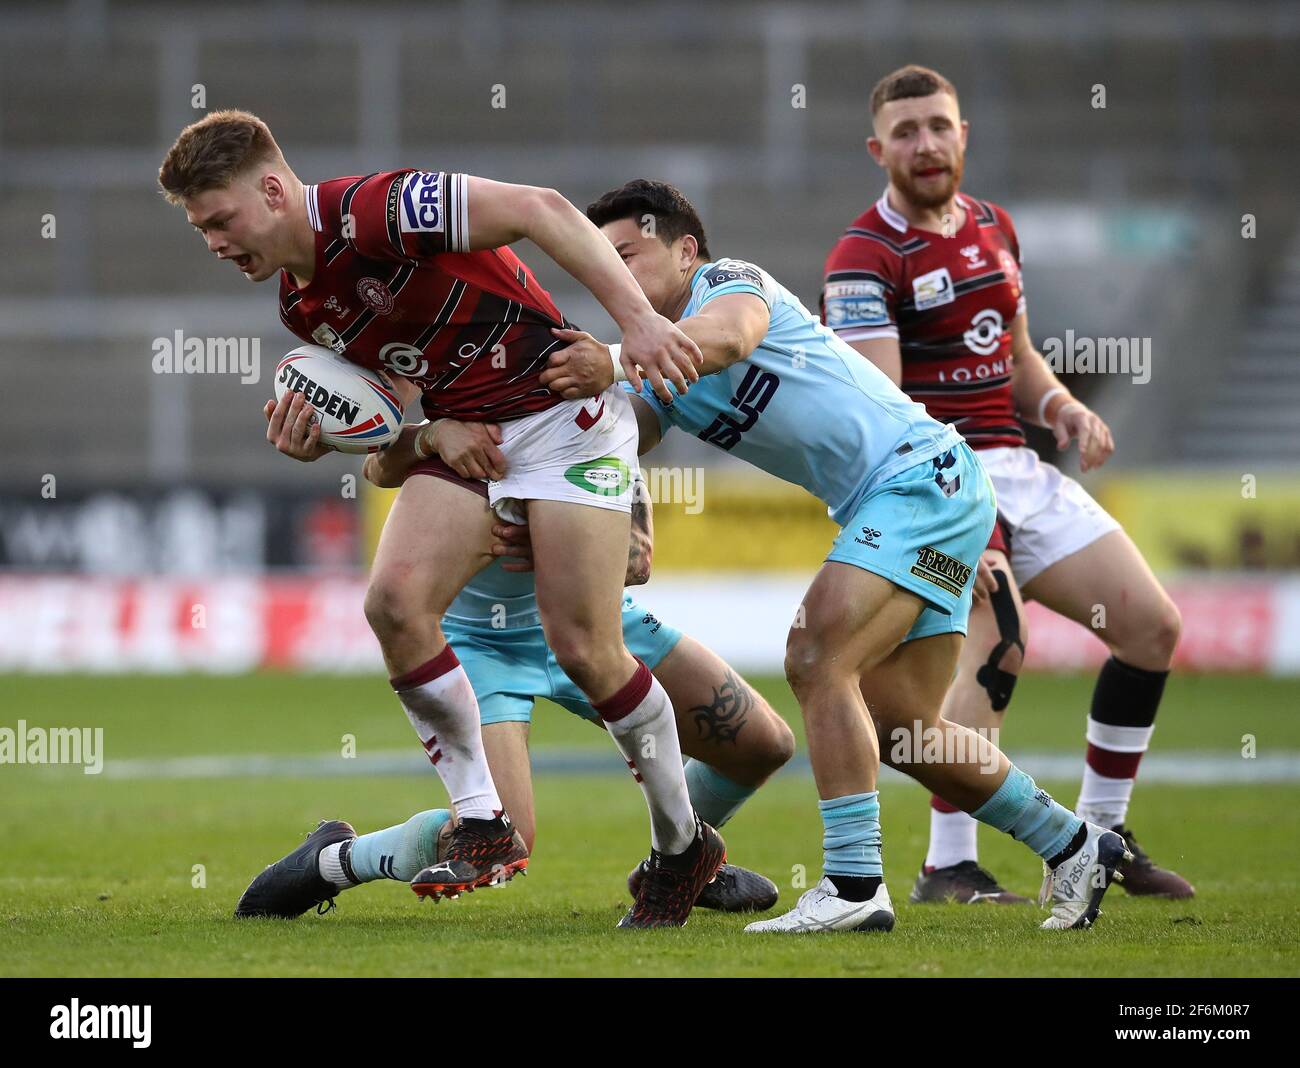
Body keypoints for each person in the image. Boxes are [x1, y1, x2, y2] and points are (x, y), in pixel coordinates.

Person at [159, 110, 725, 928]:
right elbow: (385, 458)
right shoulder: (301, 311)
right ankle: (483, 821)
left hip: (565, 417)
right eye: (200, 229)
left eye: (220, 220)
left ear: (274, 190)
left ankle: (683, 848)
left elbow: (541, 208)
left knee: (587, 648)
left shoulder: (380, 210)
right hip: (482, 443)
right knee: (394, 604)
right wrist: (411, 434)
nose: (213, 242)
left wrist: (636, 322)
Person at [529, 179, 1134, 931]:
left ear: (685, 251)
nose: (614, 273)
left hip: (916, 479)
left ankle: (853, 888)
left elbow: (731, 338)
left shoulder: (729, 283)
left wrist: (616, 360)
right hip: (934, 498)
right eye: (603, 263)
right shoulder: (658, 367)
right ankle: (1077, 846)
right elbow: (622, 443)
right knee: (901, 728)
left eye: (628, 254)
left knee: (816, 655)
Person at [821, 65, 1192, 904]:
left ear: (964, 134)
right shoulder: (861, 257)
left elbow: (1017, 355)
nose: (926, 144)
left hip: (1019, 467)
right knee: (994, 660)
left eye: (939, 126)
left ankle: (1105, 835)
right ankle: (948, 864)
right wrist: (969, 527)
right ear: (877, 149)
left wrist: (1059, 403)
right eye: (906, 131)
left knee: (1152, 628)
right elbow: (879, 413)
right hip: (937, 481)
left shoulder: (994, 227)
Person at [233, 460, 793, 920]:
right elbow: (379, 462)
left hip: (592, 618)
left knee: (763, 745)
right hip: (483, 644)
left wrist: (632, 537)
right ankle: (332, 861)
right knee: (504, 840)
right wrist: (426, 438)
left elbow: (625, 487)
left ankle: (678, 860)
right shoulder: (460, 373)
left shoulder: (581, 377)